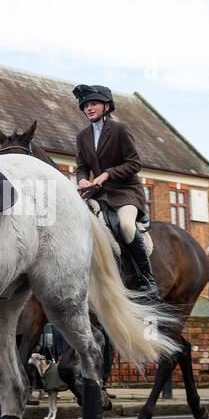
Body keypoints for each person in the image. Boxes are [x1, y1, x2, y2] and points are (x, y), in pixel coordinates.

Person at [73, 83, 158, 298]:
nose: (89, 108)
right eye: (85, 106)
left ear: (106, 106)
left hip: (126, 191)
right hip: (98, 194)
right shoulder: (82, 136)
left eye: (93, 104)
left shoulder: (120, 129)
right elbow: (82, 167)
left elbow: (134, 163)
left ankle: (146, 279)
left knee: (127, 226)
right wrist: (83, 179)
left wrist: (107, 174)